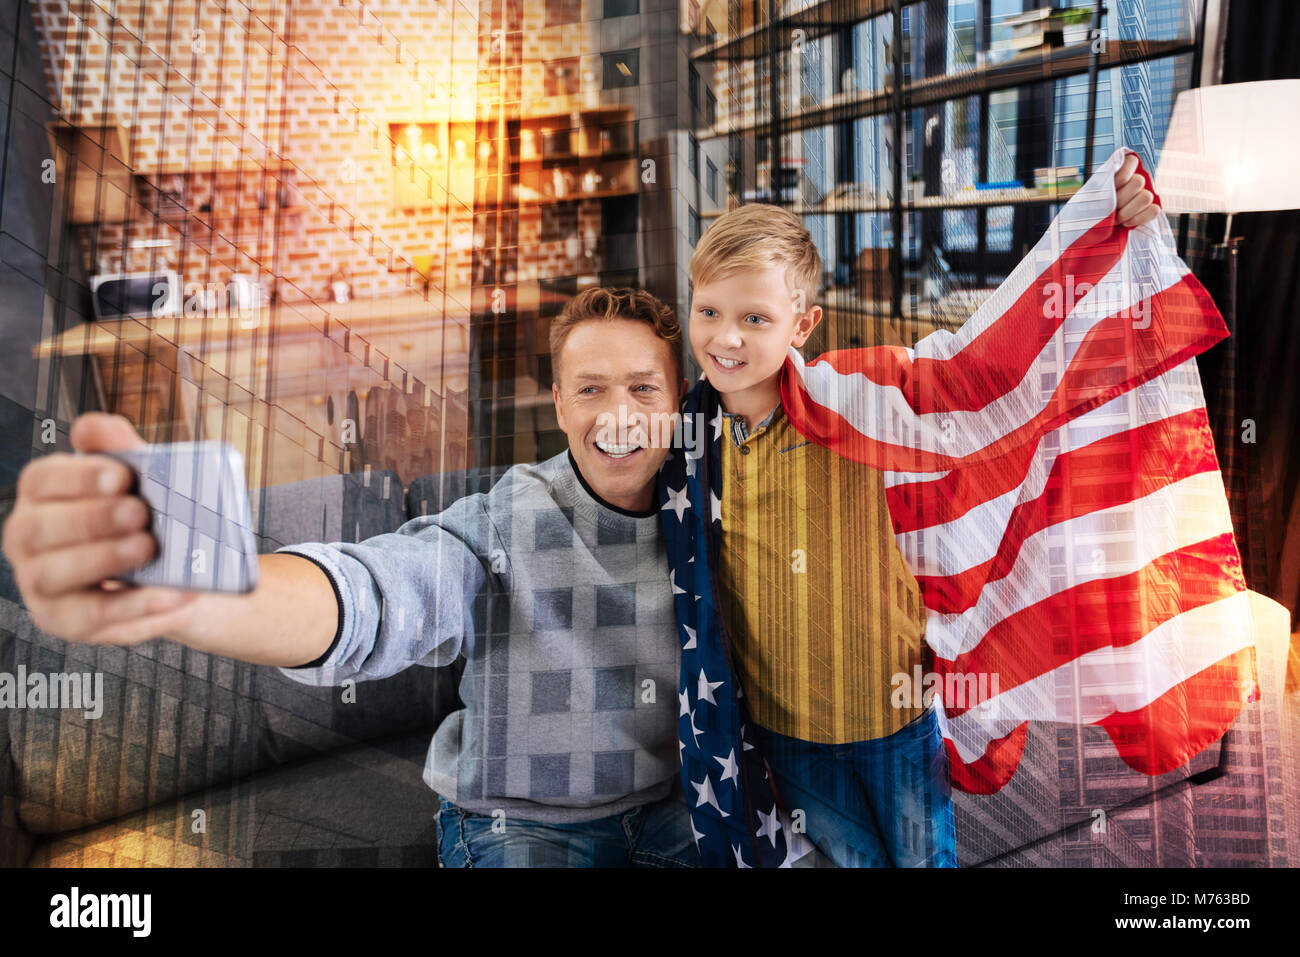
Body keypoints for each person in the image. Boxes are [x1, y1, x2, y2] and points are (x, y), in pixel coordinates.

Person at [2, 286, 701, 868]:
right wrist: (208, 587)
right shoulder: (509, 518)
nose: (618, 415)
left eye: (644, 388)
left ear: (681, 401)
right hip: (521, 823)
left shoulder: (708, 523)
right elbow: (377, 593)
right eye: (591, 389)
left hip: (667, 815)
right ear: (558, 403)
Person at [663, 154, 1163, 867]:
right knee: (847, 862)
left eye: (754, 317)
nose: (726, 336)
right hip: (785, 729)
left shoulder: (857, 401)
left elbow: (977, 368)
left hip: (893, 715)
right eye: (708, 311)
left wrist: (1097, 225)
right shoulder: (694, 436)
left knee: (926, 861)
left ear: (803, 325)